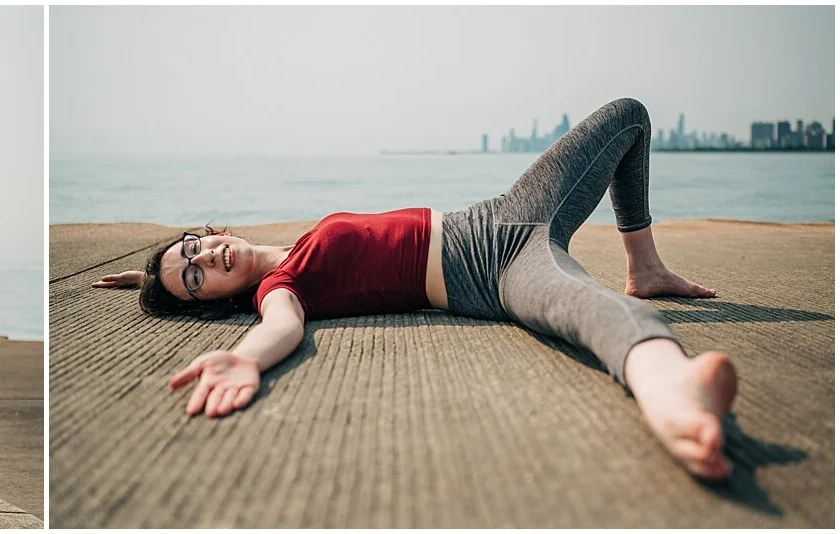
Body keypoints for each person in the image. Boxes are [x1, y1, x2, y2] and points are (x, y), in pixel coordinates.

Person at [93, 98, 737, 481]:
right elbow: (282, 326)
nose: (205, 258)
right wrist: (246, 358)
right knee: (595, 313)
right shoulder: (279, 289)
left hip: (501, 212)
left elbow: (180, 268)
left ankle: (645, 265)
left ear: (209, 231)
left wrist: (151, 277)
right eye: (196, 278)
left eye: (195, 248)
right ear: (214, 301)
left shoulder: (286, 247)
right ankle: (670, 390)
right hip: (495, 274)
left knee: (628, 117)